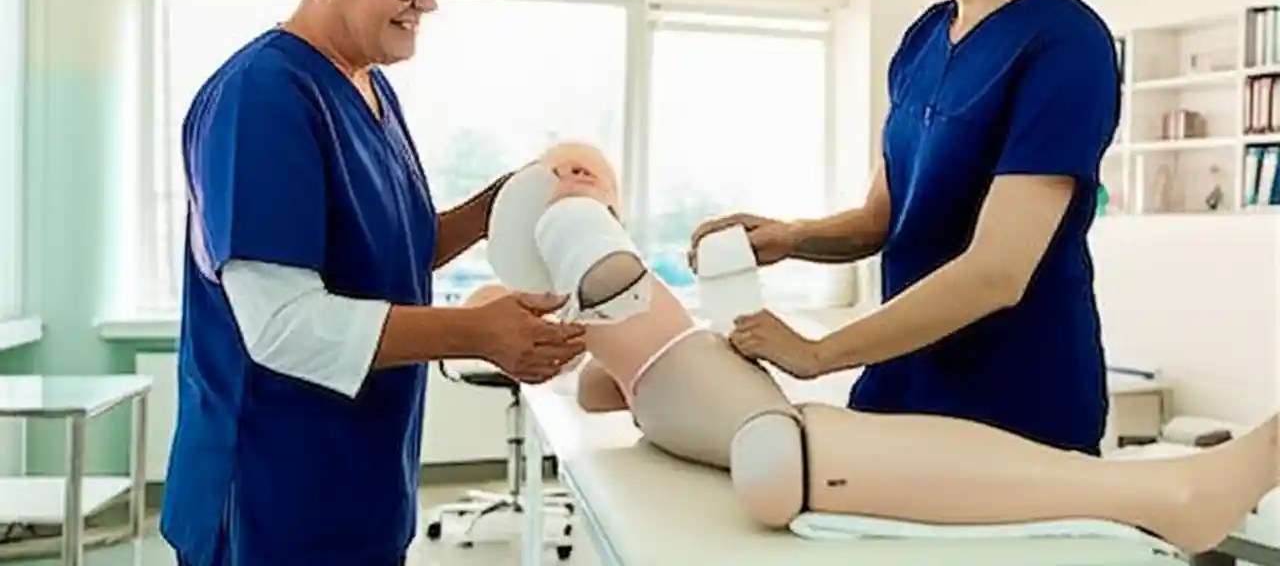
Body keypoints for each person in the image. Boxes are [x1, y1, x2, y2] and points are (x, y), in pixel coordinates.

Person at [485, 141, 1280, 557]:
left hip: (755, 434)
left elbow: (603, 369)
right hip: (743, 432)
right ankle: (1164, 492)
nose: (575, 179)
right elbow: (598, 374)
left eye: (587, 173)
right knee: (795, 446)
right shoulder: (593, 257)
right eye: (563, 173)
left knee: (798, 447)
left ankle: (1166, 492)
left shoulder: (601, 266)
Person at [159, 0, 586, 566]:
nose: (429, 0)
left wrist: (497, 205)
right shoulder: (261, 97)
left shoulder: (370, 88)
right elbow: (283, 325)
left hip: (360, 483)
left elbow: (391, 253)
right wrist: (474, 333)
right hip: (272, 498)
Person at [689, 0, 1122, 456]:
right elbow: (883, 219)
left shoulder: (1065, 45)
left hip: (1015, 401)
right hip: (903, 386)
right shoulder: (923, 40)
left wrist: (818, 354)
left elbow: (997, 272)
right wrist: (791, 237)